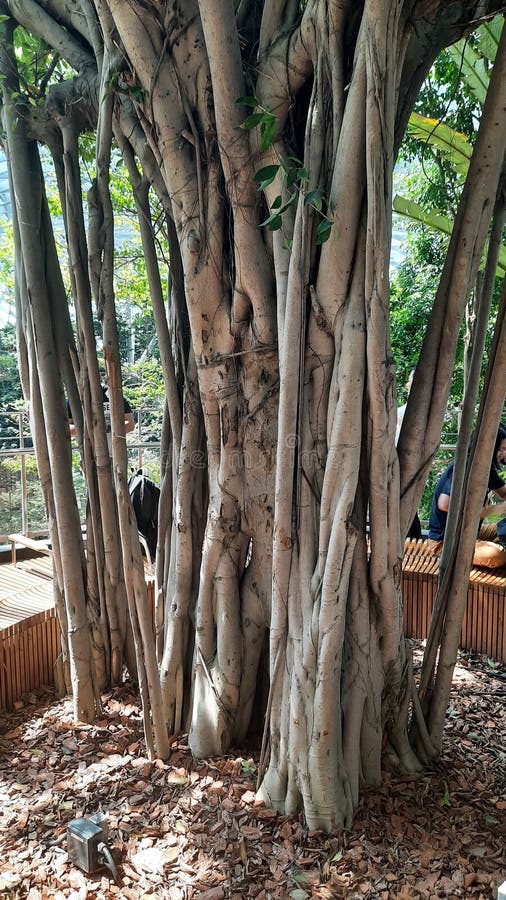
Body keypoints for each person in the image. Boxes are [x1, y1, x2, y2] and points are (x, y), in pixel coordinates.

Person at [427, 424, 506, 569]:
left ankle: (494, 545)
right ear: (489, 446)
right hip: (445, 542)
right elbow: (444, 504)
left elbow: (504, 493)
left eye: (505, 449)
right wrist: (486, 512)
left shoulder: (487, 469)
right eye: (501, 449)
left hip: (470, 532)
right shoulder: (464, 465)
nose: (503, 454)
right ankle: (496, 547)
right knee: (495, 555)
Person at [68, 378, 134, 454]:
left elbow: (130, 425)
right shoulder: (74, 399)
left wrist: (109, 428)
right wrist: (93, 428)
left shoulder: (113, 395)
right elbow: (68, 429)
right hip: (88, 455)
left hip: (115, 454)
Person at [396, 368, 422, 540]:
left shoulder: (430, 415)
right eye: (412, 379)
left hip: (415, 470)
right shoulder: (399, 413)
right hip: (397, 469)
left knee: (410, 509)